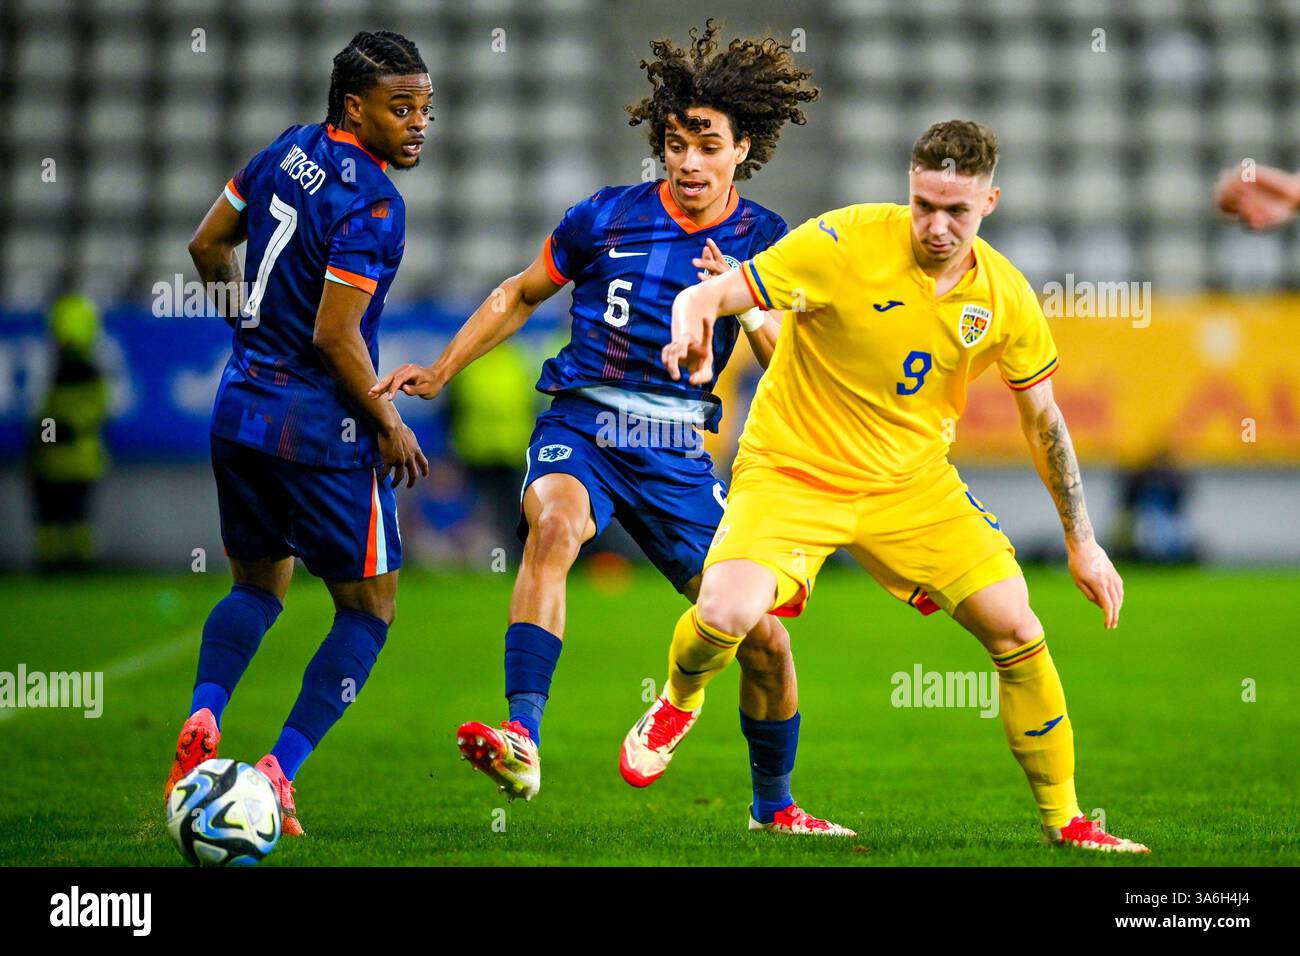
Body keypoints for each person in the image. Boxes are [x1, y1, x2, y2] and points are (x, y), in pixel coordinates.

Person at [373, 21, 852, 835]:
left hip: (677, 452)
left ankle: (775, 809)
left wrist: (743, 295)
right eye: (675, 143)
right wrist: (442, 369)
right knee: (553, 525)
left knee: (764, 640)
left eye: (707, 145)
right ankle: (522, 734)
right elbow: (520, 294)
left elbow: (787, 364)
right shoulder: (604, 218)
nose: (688, 162)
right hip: (585, 425)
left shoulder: (768, 241)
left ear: (743, 150)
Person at [622, 119, 1150, 851]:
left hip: (910, 485)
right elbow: (713, 295)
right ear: (909, 187)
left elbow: (1044, 423)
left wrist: (1083, 544)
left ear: (988, 202)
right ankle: (677, 701)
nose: (935, 224)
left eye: (955, 210)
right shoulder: (842, 243)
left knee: (1019, 627)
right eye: (923, 204)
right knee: (726, 611)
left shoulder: (1005, 296)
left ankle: (1068, 821)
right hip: (794, 470)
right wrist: (692, 325)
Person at [164, 31, 432, 836]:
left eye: (426, 107)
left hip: (240, 406)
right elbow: (335, 336)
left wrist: (247, 331)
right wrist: (389, 424)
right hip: (320, 430)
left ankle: (205, 717)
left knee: (255, 587)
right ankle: (278, 773)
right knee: (368, 611)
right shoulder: (375, 203)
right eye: (401, 107)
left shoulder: (287, 150)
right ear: (355, 106)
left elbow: (207, 244)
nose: (419, 124)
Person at [28, 294, 109, 572]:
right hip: (76, 458)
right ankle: (72, 562)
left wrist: (49, 431)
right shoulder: (88, 371)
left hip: (63, 458)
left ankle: (60, 563)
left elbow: (49, 417)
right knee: (71, 514)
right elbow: (94, 414)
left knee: (62, 514)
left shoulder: (58, 371)